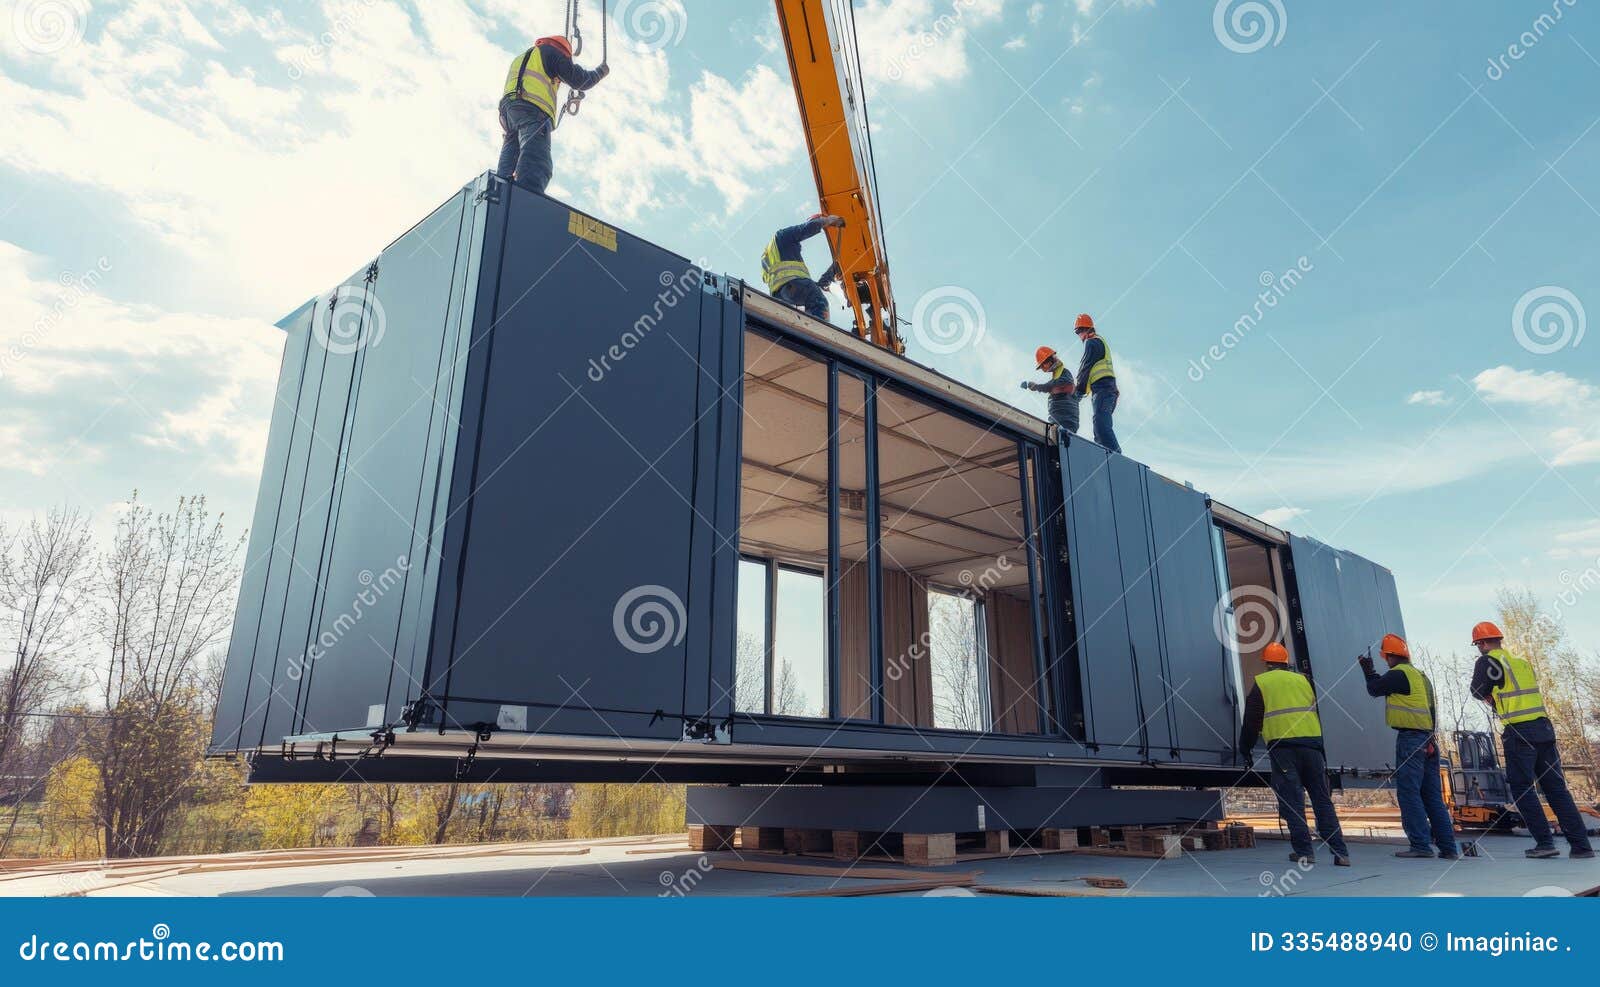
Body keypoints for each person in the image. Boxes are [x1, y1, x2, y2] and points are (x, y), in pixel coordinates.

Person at [1468, 620, 1595, 859]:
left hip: (1519, 732)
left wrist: (1491, 698)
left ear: (1481, 643)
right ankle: (1581, 847)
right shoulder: (1521, 663)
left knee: (1522, 789)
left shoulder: (1487, 661)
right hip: (1544, 728)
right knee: (1556, 789)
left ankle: (1545, 843)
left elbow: (1476, 690)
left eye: (1478, 645)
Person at [1238, 642, 1351, 867]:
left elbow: (1251, 721)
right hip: (1312, 748)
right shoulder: (1304, 681)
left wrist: (1245, 749)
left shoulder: (1263, 682)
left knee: (1293, 801)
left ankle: (1304, 853)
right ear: (1285, 661)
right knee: (1321, 799)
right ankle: (1341, 853)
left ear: (1267, 663)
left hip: (1284, 750)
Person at [1359, 633, 1461, 860]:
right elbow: (1432, 710)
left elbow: (1374, 688)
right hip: (1429, 740)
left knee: (1409, 792)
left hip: (1411, 741)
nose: (1386, 661)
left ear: (1390, 656)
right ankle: (1448, 848)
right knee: (1432, 796)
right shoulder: (1420, 676)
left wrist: (1367, 669)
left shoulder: (1399, 674)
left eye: (1385, 657)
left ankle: (1421, 846)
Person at [498, 35, 609, 194]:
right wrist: (601, 72)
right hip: (532, 111)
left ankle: (501, 194)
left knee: (510, 158)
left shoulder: (527, 56)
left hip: (509, 113)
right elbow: (581, 80)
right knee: (537, 159)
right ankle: (528, 198)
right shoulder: (552, 52)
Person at [761, 214, 845, 321]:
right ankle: (818, 332)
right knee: (819, 302)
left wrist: (832, 271)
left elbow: (806, 287)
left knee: (792, 319)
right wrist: (828, 220)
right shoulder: (782, 235)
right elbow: (807, 228)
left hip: (780, 295)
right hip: (792, 284)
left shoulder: (771, 254)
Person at [1072, 313, 1120, 454]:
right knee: (1099, 426)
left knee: (1101, 425)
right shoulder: (1100, 341)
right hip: (1106, 390)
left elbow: (1085, 368)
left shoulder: (1092, 342)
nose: (1079, 336)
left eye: (1080, 332)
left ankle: (1115, 458)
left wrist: (1078, 392)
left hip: (1103, 390)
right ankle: (1104, 456)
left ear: (1086, 330)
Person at [1020, 346, 1081, 438]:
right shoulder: (1057, 374)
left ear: (1049, 361)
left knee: (1065, 444)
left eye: (1043, 365)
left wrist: (1037, 386)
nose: (1043, 369)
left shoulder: (1064, 373)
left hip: (1065, 420)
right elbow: (1053, 387)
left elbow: (1059, 385)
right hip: (1060, 420)